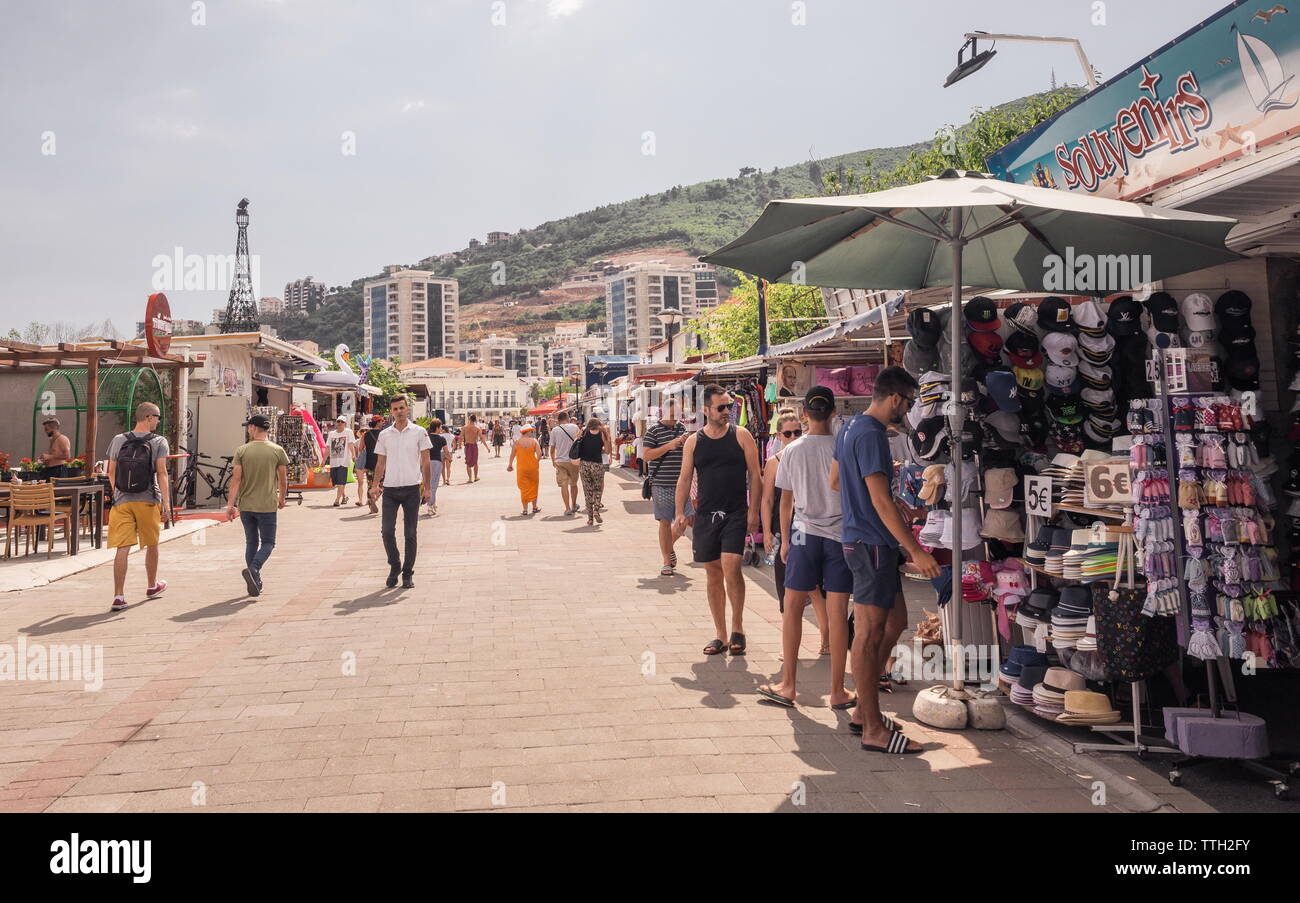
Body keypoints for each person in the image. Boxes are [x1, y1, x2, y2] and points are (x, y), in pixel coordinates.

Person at [831, 366, 938, 755]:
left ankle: (864, 710)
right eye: (908, 403)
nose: (908, 412)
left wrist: (894, 505)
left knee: (895, 623)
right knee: (870, 632)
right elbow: (874, 497)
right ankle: (872, 727)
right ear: (895, 398)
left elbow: (846, 483)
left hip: (866, 539)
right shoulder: (872, 434)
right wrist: (916, 549)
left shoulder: (849, 428)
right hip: (871, 543)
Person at [758, 386, 855, 709]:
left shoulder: (793, 450)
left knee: (793, 608)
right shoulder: (844, 447)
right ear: (832, 413)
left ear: (804, 416)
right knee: (838, 613)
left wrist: (784, 540)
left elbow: (785, 501)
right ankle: (838, 690)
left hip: (803, 535)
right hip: (841, 536)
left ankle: (788, 685)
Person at [675, 384, 761, 656]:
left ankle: (738, 628)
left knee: (732, 565)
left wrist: (754, 511)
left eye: (730, 406)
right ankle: (720, 635)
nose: (727, 411)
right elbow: (685, 477)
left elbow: (756, 476)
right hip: (705, 516)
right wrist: (680, 511)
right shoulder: (694, 441)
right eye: (722, 407)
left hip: (735, 512)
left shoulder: (742, 435)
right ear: (706, 409)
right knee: (713, 572)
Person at [761, 408, 831, 656]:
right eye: (788, 433)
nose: (793, 436)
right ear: (779, 436)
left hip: (807, 526)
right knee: (788, 589)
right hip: (786, 529)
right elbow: (768, 500)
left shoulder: (809, 453)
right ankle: (791, 645)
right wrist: (767, 532)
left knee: (815, 586)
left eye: (797, 432)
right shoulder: (774, 462)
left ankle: (826, 639)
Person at [105, 402, 171, 612]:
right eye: (158, 417)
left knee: (122, 548)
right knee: (151, 544)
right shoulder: (159, 441)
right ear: (149, 417)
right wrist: (166, 503)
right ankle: (152, 586)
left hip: (122, 501)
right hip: (148, 499)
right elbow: (161, 473)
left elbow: (110, 471)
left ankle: (118, 596)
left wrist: (117, 493)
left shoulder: (118, 440)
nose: (159, 421)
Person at [369, 394, 432, 589]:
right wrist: (375, 484)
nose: (399, 412)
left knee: (410, 533)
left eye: (402, 408)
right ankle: (394, 565)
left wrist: (427, 488)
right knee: (387, 531)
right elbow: (380, 463)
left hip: (412, 488)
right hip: (390, 490)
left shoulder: (419, 432)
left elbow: (426, 461)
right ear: (391, 411)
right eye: (395, 409)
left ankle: (407, 573)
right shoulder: (385, 434)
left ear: (407, 408)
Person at [224, 414, 289, 597]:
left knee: (251, 541)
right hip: (267, 504)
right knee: (268, 542)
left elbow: (236, 480)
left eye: (248, 427)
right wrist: (282, 498)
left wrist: (231, 505)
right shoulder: (277, 450)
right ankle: (254, 569)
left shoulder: (242, 451)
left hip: (246, 505)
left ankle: (254, 577)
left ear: (253, 428)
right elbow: (282, 480)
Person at [641, 397, 690, 576]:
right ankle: (666, 560)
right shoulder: (653, 431)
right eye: (671, 414)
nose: (674, 418)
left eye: (677, 414)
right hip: (661, 483)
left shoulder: (682, 428)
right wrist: (669, 446)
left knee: (684, 521)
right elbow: (646, 456)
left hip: (681, 484)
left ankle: (668, 547)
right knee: (664, 521)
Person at [572, 417, 611, 526]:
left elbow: (576, 442)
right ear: (599, 424)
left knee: (587, 491)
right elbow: (607, 451)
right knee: (598, 489)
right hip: (597, 464)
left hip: (584, 464)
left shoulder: (583, 432)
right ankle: (596, 510)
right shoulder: (602, 433)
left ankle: (590, 519)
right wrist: (600, 449)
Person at [549, 412, 581, 516]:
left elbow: (552, 447)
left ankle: (567, 508)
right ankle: (573, 505)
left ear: (558, 420)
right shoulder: (574, 427)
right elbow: (579, 441)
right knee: (573, 484)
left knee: (563, 485)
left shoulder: (555, 430)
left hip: (560, 461)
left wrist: (553, 460)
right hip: (573, 460)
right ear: (567, 418)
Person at [507, 424, 542, 516]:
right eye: (531, 431)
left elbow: (512, 455)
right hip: (533, 468)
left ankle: (525, 509)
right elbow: (540, 454)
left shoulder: (517, 442)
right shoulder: (534, 441)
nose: (532, 432)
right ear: (528, 431)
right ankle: (534, 507)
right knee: (534, 486)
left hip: (521, 468)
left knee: (524, 488)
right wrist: (536, 461)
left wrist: (510, 464)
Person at [325, 416, 353, 507]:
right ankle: (344, 497)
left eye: (342, 422)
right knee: (337, 482)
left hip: (343, 461)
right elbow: (328, 448)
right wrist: (323, 460)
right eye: (338, 421)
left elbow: (350, 444)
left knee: (341, 482)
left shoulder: (348, 432)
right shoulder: (331, 434)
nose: (340, 423)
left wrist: (354, 455)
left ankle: (337, 500)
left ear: (345, 424)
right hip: (334, 461)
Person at [425, 418, 450, 516]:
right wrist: (449, 458)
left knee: (427, 484)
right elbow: (446, 451)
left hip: (426, 462)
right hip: (436, 462)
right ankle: (430, 505)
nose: (441, 429)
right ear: (437, 427)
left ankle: (432, 503)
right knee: (434, 484)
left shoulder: (426, 437)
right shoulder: (441, 439)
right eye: (440, 427)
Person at [461, 415, 487, 482]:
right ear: (475, 420)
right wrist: (487, 447)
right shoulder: (477, 428)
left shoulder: (464, 427)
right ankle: (475, 477)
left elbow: (460, 437)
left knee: (468, 462)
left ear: (469, 419)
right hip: (474, 445)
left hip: (467, 446)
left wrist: (457, 446)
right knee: (475, 462)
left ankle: (470, 478)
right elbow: (482, 438)